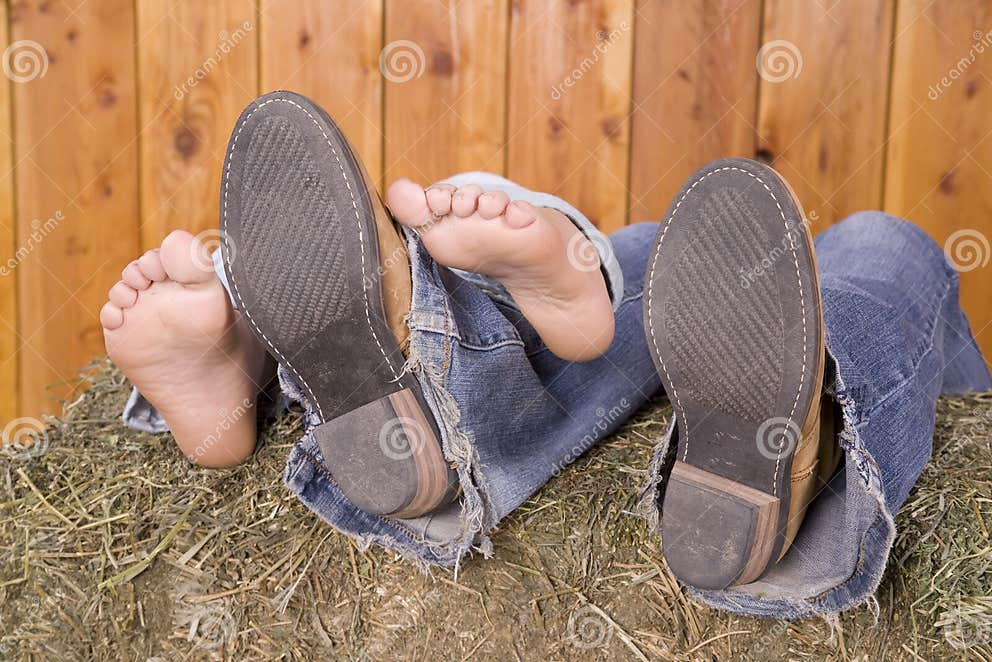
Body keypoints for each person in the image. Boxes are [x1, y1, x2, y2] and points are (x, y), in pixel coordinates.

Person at [103, 92, 990, 616]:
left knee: (660, 265)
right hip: (784, 319)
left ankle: (367, 353)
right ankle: (801, 437)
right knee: (881, 250)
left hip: (652, 298)